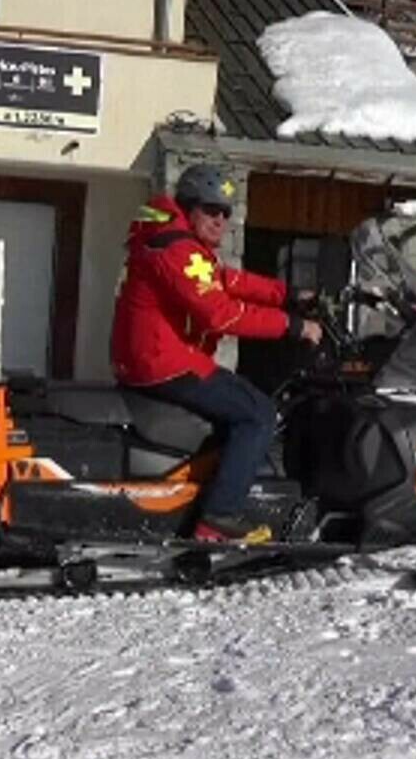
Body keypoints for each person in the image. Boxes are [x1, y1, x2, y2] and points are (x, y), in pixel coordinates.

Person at [111, 164, 322, 544]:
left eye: (226, 213)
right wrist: (293, 326)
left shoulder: (176, 242)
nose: (220, 220)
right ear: (189, 208)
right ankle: (219, 518)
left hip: (153, 358)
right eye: (211, 210)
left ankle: (208, 494)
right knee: (259, 413)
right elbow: (219, 314)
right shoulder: (176, 249)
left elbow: (229, 281)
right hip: (165, 363)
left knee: (237, 405)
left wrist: (288, 295)